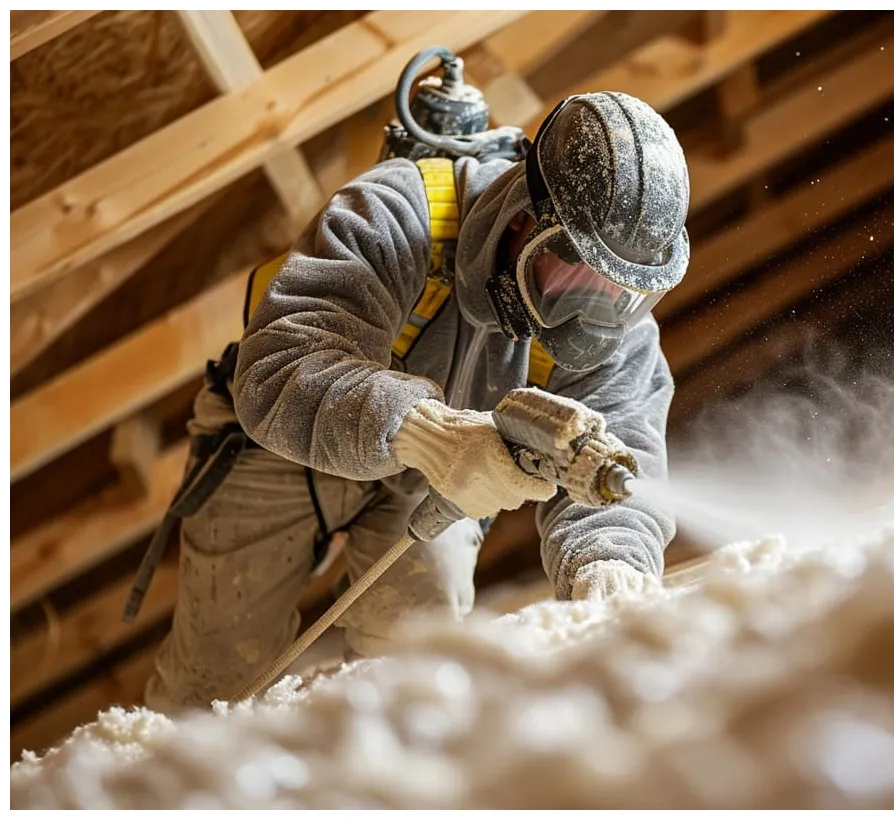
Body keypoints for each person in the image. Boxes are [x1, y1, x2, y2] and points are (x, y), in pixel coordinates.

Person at [142, 90, 692, 710]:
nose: (588, 317)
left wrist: (608, 558)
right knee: (212, 685)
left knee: (415, 674)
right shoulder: (397, 213)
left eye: (619, 292)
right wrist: (433, 434)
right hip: (277, 449)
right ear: (522, 221)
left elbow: (623, 455)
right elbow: (277, 371)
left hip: (431, 483)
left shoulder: (617, 334)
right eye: (573, 275)